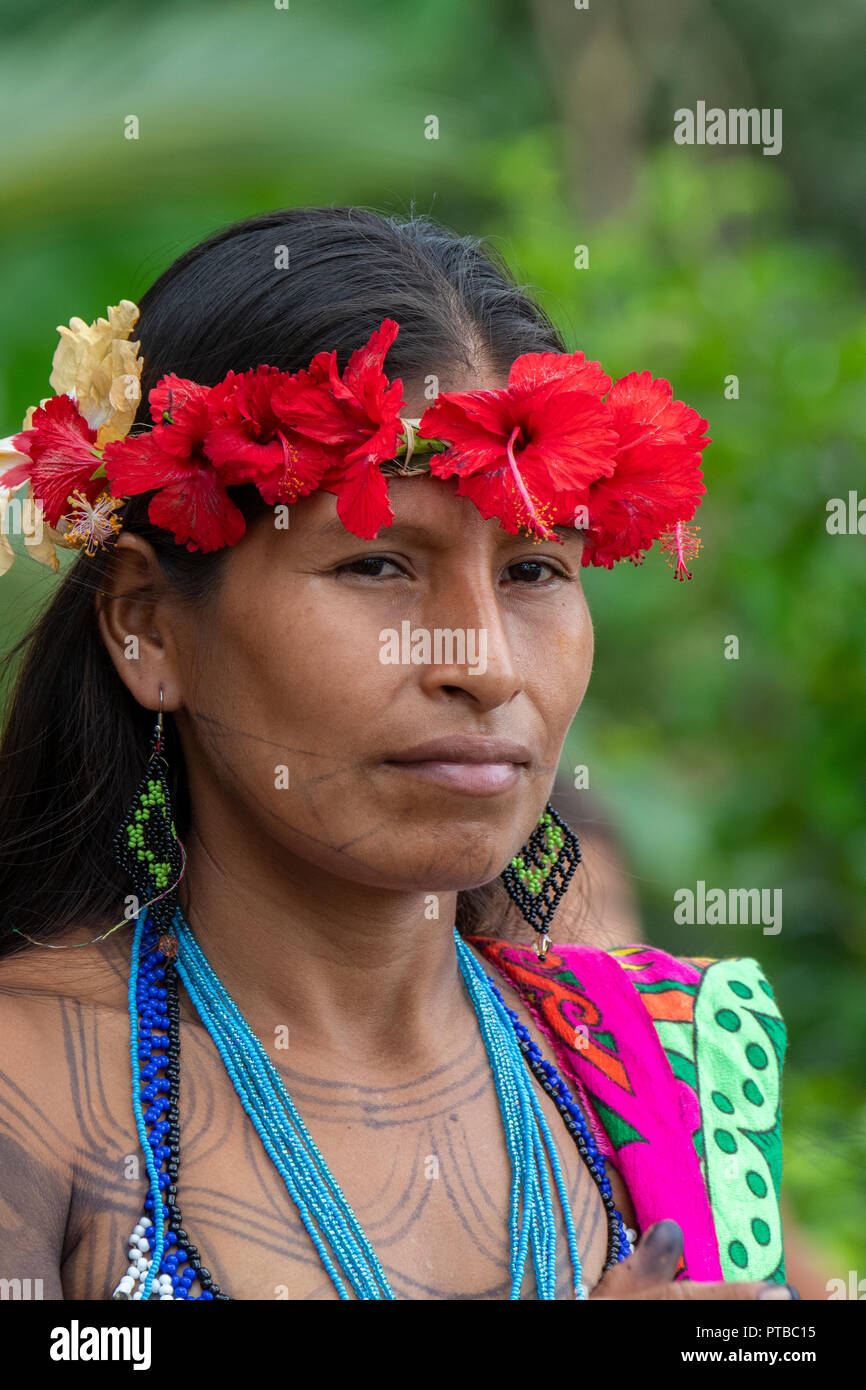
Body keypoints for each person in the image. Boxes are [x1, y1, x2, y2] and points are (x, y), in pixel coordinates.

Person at [0, 206, 796, 1301]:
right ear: (147, 624)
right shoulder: (30, 1085)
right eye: (377, 564)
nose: (482, 663)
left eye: (533, 571)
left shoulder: (667, 1069)